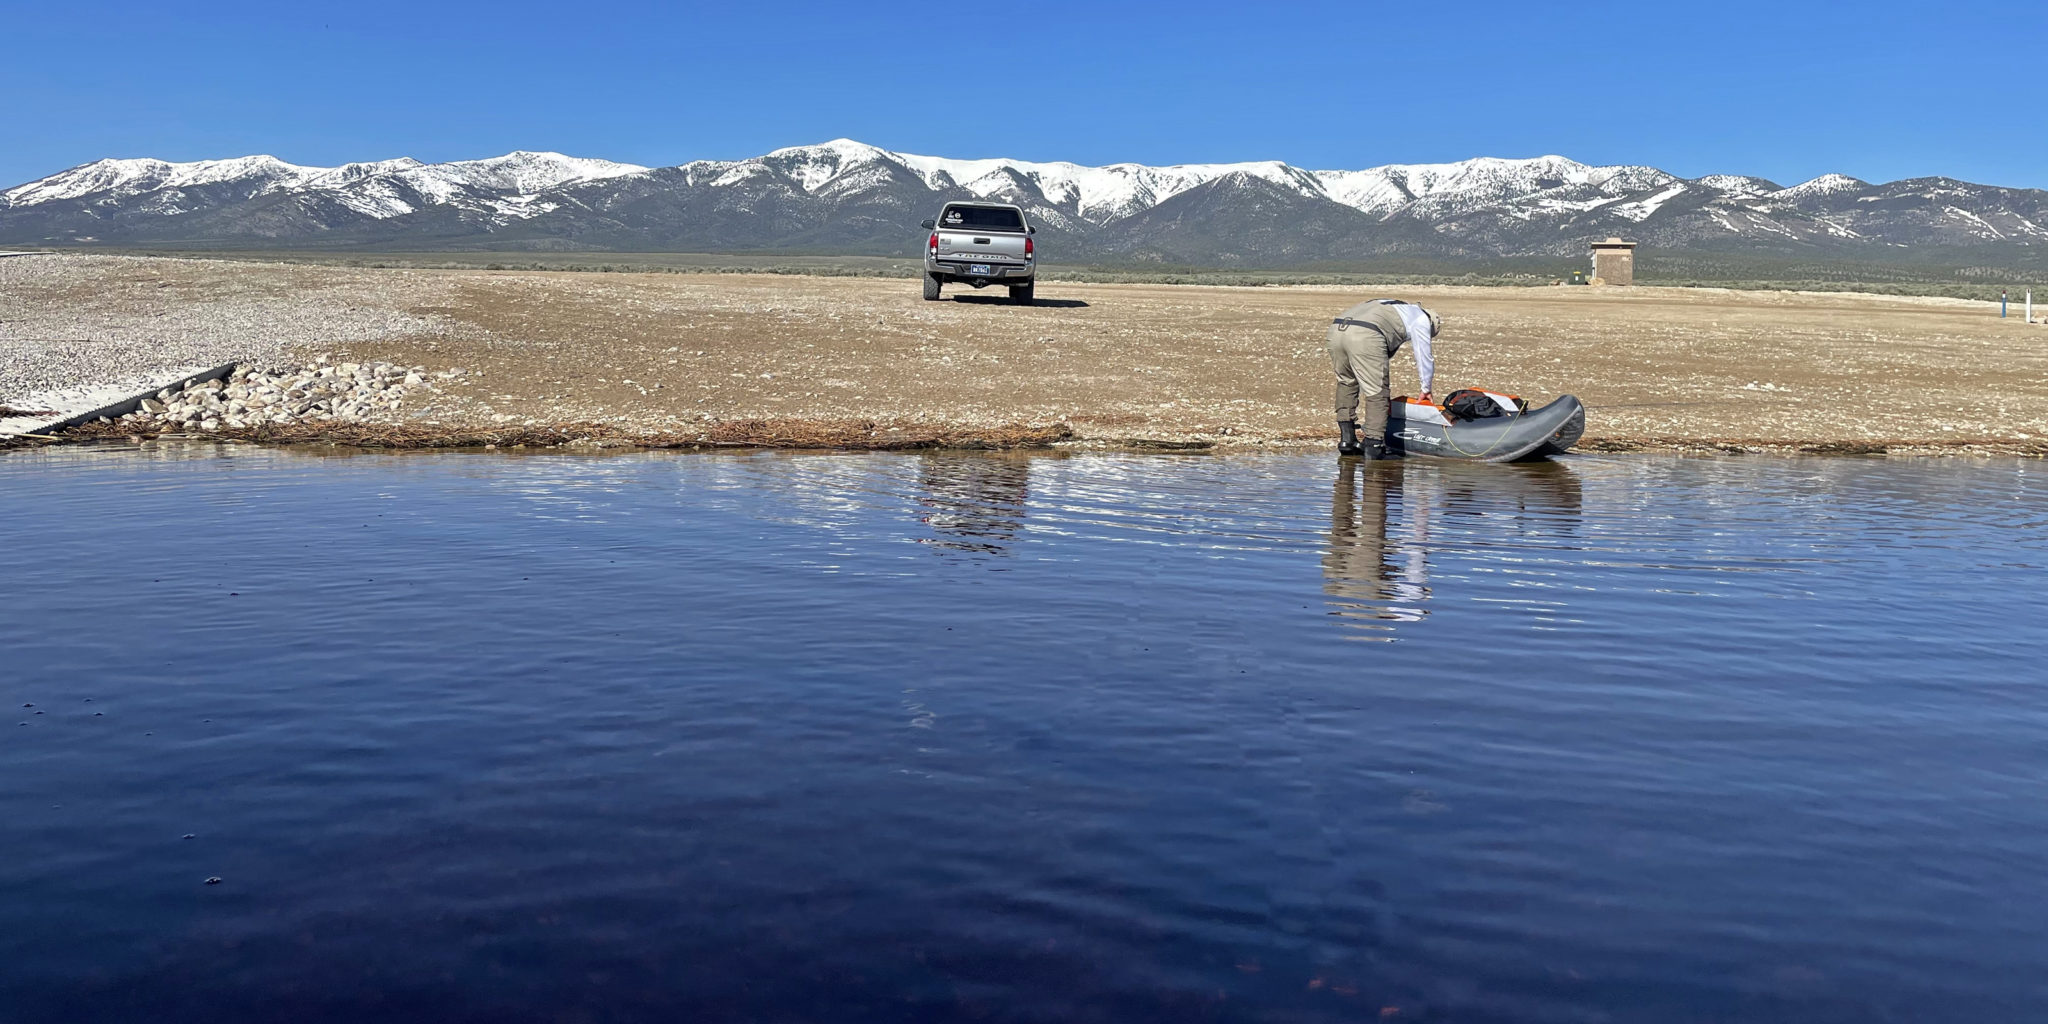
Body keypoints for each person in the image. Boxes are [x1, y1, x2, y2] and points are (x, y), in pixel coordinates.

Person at [1326, 298, 1441, 458]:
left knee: (1346, 383)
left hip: (1337, 329)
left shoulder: (1397, 307)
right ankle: (1374, 446)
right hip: (1366, 335)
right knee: (1377, 392)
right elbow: (1424, 358)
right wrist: (1426, 389)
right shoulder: (1421, 319)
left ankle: (1347, 440)